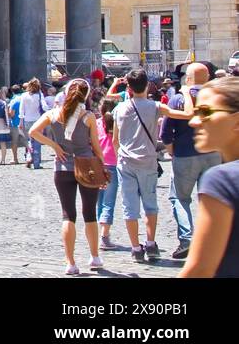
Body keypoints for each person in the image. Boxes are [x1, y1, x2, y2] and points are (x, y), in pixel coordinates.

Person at [113, 68, 191, 263]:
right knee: (150, 205)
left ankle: (135, 248)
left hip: (125, 162)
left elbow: (115, 140)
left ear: (128, 88)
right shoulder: (155, 106)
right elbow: (186, 114)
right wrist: (187, 92)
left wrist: (119, 157)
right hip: (147, 161)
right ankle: (150, 243)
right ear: (147, 85)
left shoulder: (119, 109)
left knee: (129, 207)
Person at [29, 78, 103, 275]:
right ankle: (95, 257)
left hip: (62, 167)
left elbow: (32, 131)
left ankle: (70, 263)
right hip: (86, 165)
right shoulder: (88, 117)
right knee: (90, 214)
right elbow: (95, 146)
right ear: (86, 96)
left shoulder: (53, 114)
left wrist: (54, 145)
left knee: (68, 215)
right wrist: (102, 167)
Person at [162, 62, 223, 260]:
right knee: (210, 198)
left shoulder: (178, 99)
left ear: (187, 79)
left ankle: (187, 238)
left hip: (185, 154)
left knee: (180, 198)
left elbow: (165, 133)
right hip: (212, 153)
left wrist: (172, 152)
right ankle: (214, 239)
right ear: (208, 78)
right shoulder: (213, 99)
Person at [180, 75, 239, 277]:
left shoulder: (223, 179)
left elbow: (199, 271)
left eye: (205, 112)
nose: (194, 122)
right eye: (195, 112)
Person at [95, 97, 120, 250]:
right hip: (113, 165)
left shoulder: (96, 123)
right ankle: (105, 236)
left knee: (100, 201)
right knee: (109, 202)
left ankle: (100, 234)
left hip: (97, 164)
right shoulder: (117, 123)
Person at [18, 79, 45, 169]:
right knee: (37, 142)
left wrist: (21, 122)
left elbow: (21, 110)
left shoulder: (24, 95)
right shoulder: (39, 95)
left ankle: (29, 157)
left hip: (26, 120)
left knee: (29, 141)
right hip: (38, 121)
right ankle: (36, 163)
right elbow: (45, 107)